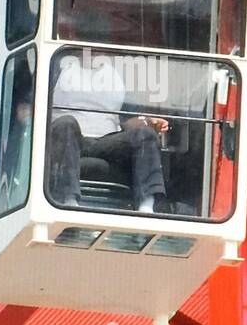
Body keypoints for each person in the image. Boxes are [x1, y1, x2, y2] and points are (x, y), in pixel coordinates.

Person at [48, 51, 167, 213]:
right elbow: (30, 106)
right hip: (68, 140)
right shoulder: (58, 66)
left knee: (145, 134)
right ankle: (69, 201)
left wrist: (147, 122)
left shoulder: (118, 77)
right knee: (67, 123)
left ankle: (146, 206)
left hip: (106, 142)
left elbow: (127, 120)